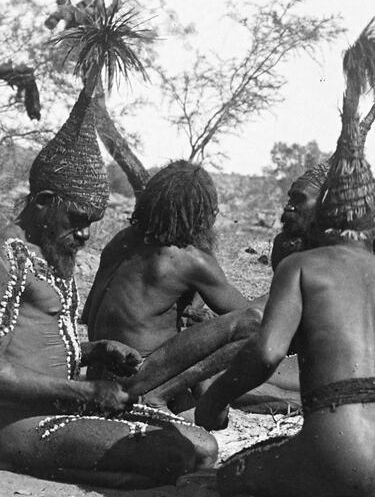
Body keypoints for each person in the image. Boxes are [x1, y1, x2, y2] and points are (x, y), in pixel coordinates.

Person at [195, 22, 375, 497]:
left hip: (343, 444)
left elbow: (267, 353)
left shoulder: (302, 265)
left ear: (322, 219)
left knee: (233, 477)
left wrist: (215, 401)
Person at [0, 6, 218, 487]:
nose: (85, 235)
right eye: (78, 220)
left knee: (200, 444)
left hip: (67, 406)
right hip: (23, 423)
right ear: (43, 202)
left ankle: (106, 470)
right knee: (175, 454)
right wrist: (85, 393)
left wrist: (94, 348)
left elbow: (42, 345)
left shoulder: (50, 256)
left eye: (91, 224)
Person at [81, 160, 285, 410]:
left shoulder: (120, 241)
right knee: (255, 323)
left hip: (96, 373)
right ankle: (161, 396)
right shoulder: (189, 260)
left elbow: (89, 312)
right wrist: (290, 281)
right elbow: (252, 319)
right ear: (200, 215)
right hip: (136, 378)